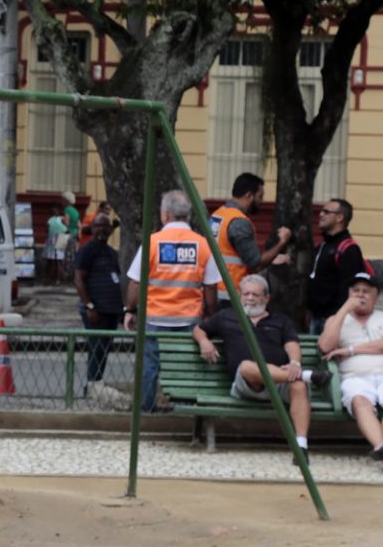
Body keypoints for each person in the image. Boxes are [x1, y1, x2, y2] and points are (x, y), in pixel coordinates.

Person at [192, 275, 324, 459]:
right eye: (246, 294)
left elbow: (292, 344)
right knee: (247, 366)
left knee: (299, 386)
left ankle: (301, 446)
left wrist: (294, 363)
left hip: (278, 384)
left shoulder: (281, 321)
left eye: (255, 294)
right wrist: (204, 341)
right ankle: (307, 376)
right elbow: (199, 329)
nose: (250, 298)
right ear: (239, 296)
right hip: (246, 384)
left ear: (266, 298)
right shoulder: (226, 316)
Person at [124, 190, 221, 412]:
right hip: (189, 319)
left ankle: (145, 410)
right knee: (185, 365)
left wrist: (130, 309)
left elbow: (135, 283)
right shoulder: (203, 244)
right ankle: (184, 409)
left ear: (165, 215)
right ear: (187, 216)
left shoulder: (152, 242)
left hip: (155, 318)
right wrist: (209, 314)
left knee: (149, 366)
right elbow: (211, 286)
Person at [319, 273, 383, 475]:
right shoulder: (336, 319)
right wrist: (345, 309)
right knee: (360, 402)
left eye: (366, 291)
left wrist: (350, 350)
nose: (360, 295)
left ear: (376, 296)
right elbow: (325, 346)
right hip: (355, 378)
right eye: (355, 291)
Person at [208, 172, 292, 301]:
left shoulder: (217, 215)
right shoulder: (239, 222)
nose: (261, 201)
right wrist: (282, 242)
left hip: (215, 291)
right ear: (249, 196)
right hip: (232, 295)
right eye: (260, 196)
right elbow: (256, 263)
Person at [73, 216, 123, 397]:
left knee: (105, 349)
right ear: (92, 229)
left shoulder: (110, 252)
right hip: (96, 311)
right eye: (98, 226)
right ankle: (91, 384)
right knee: (96, 348)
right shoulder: (87, 250)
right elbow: (79, 279)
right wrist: (89, 306)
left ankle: (97, 383)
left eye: (105, 226)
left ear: (111, 230)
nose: (101, 230)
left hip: (112, 311)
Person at [306, 197, 366, 333]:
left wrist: (337, 317)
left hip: (334, 319)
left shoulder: (349, 249)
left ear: (339, 217)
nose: (321, 215)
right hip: (316, 316)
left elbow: (349, 288)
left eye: (326, 212)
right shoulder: (324, 245)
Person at [43, 211, 68, 285]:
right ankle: (57, 279)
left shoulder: (50, 220)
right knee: (58, 261)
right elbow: (66, 229)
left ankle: (50, 279)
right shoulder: (62, 219)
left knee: (51, 261)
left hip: (53, 241)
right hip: (61, 239)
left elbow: (47, 230)